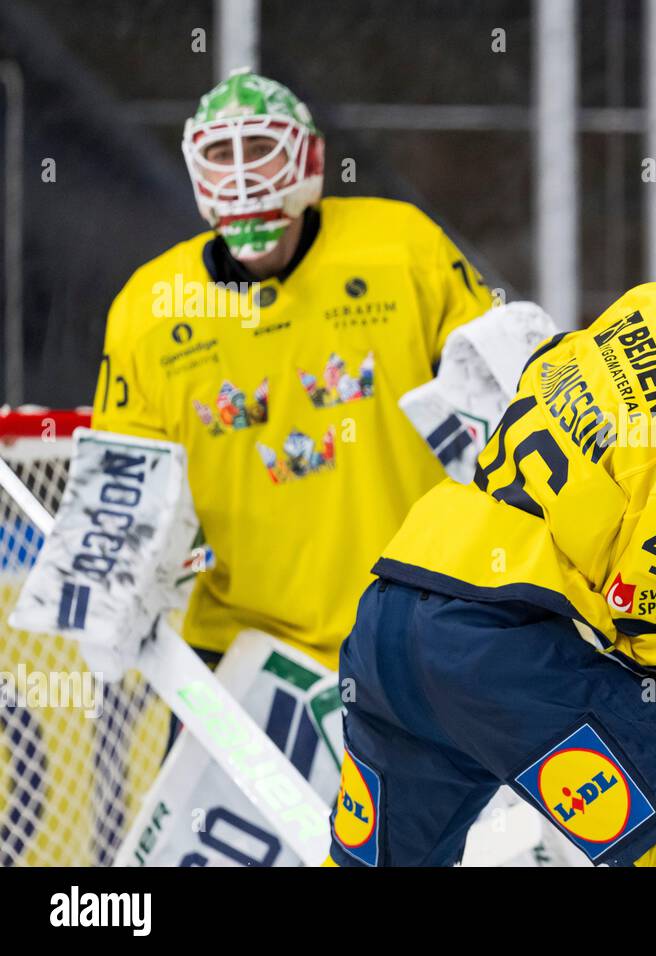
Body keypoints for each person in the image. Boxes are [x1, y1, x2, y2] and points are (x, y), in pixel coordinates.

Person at [327, 204, 656, 867]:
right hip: (496, 651)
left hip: (390, 619)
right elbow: (651, 639)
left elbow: (554, 366)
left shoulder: (644, 307)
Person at [91, 69, 494, 865]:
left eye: (261, 148)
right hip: (239, 659)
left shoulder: (400, 246)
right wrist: (112, 587)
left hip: (409, 643)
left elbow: (500, 395)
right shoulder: (149, 305)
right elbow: (124, 486)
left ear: (308, 157)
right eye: (222, 154)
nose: (242, 175)